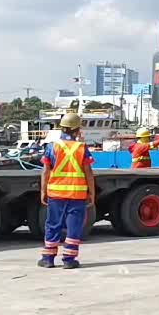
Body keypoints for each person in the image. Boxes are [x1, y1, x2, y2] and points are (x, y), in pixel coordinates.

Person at [38, 113, 96, 269]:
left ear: (61, 128)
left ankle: (48, 258)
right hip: (77, 194)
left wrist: (43, 191)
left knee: (52, 225)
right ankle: (69, 260)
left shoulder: (51, 147)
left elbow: (45, 171)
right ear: (77, 130)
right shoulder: (82, 148)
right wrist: (92, 192)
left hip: (56, 194)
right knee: (74, 226)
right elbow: (88, 172)